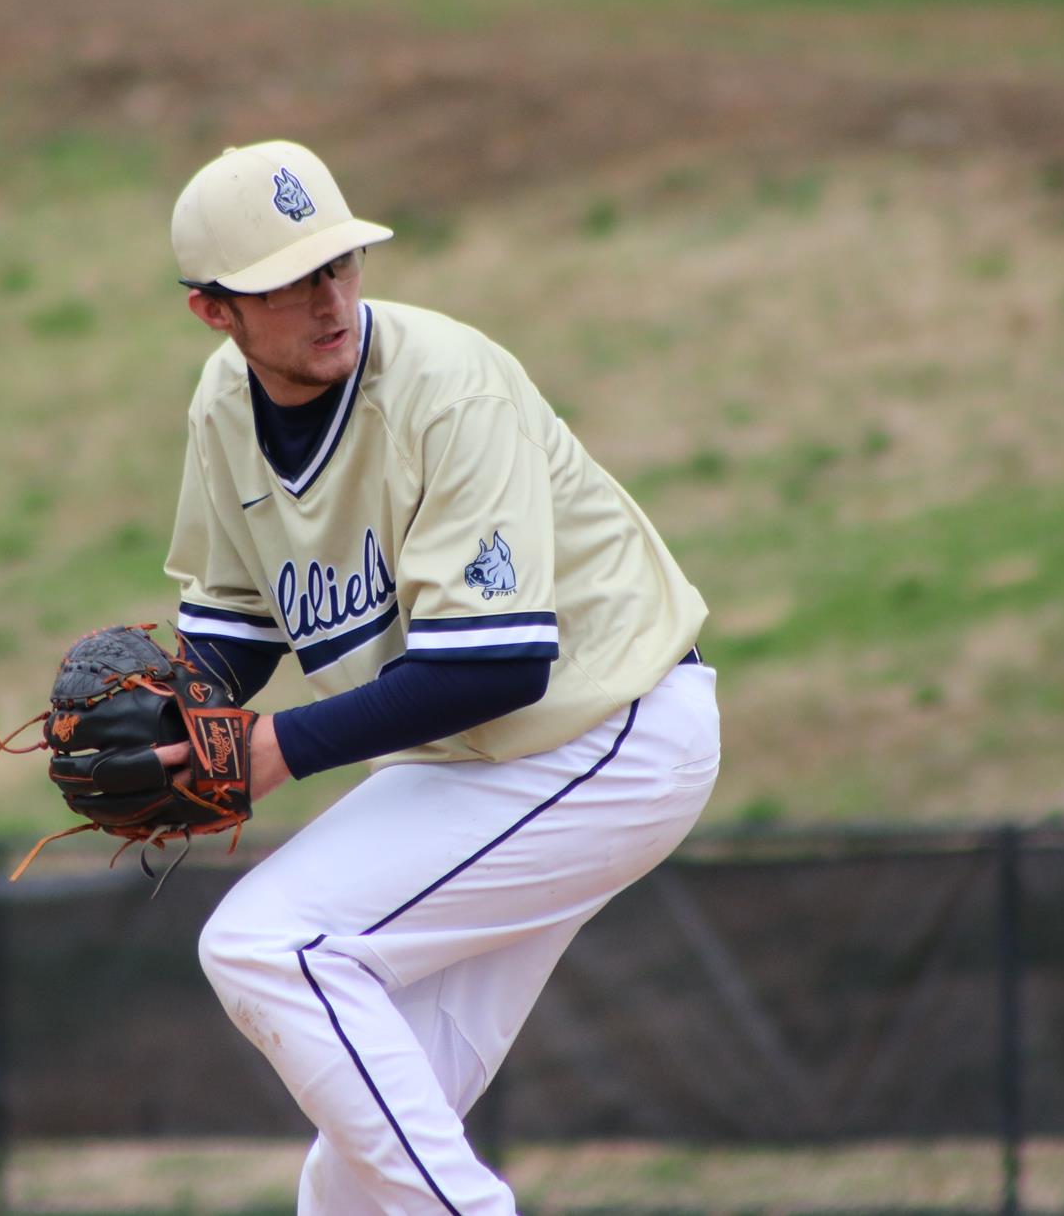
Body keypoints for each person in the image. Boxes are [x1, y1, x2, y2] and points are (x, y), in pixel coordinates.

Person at [157, 140, 722, 1213]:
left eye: (338, 262)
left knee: (265, 942)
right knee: (356, 1172)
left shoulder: (443, 383)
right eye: (287, 281)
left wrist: (271, 749)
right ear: (214, 312)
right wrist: (167, 712)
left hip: (610, 731)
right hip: (488, 761)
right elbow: (232, 620)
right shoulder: (221, 410)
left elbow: (496, 663)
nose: (327, 297)